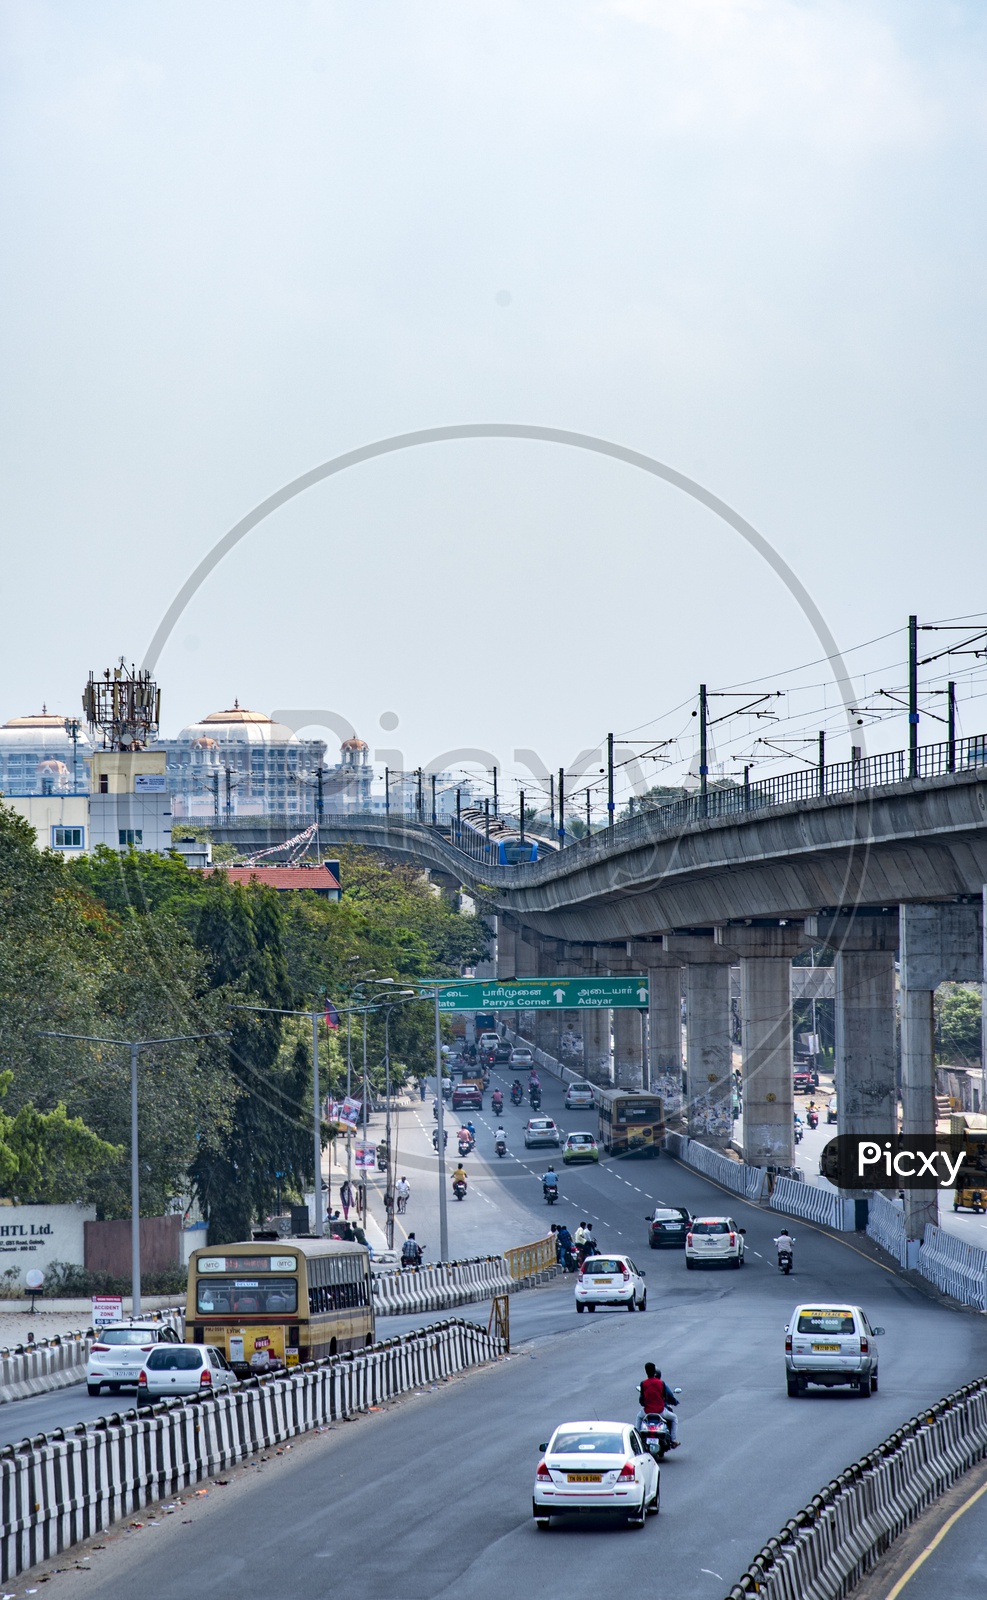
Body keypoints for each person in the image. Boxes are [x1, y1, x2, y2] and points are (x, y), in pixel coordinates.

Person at [638, 1362, 679, 1445]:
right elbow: (665, 1397)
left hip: (647, 1411)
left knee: (639, 1417)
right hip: (660, 1411)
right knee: (674, 1418)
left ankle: (638, 1438)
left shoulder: (643, 1384)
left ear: (646, 1372)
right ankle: (673, 1440)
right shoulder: (661, 1383)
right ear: (655, 1372)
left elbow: (642, 1400)